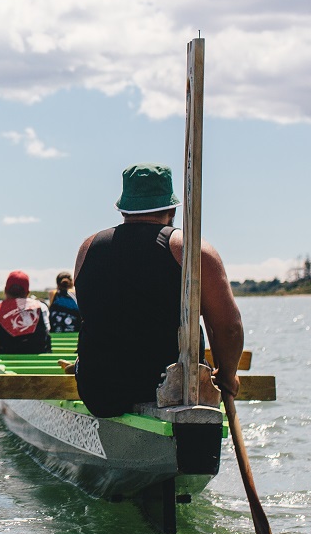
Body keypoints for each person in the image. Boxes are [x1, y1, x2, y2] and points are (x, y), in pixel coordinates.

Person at [71, 163, 243, 418]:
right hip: (177, 391)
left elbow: (90, 315)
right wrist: (227, 375)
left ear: (123, 209)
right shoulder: (191, 249)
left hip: (101, 391)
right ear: (172, 209)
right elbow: (228, 327)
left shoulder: (88, 247)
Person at [0, 270, 52, 374]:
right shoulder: (42, 309)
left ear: (5, 290)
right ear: (27, 292)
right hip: (42, 378)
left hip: (8, 382)